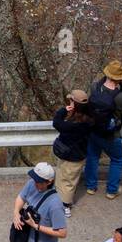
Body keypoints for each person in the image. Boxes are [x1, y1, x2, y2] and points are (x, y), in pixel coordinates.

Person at [85, 60, 122, 199]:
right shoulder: (121, 96)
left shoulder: (94, 87)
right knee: (117, 159)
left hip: (93, 131)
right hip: (111, 135)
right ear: (120, 78)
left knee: (92, 157)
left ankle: (90, 187)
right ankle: (112, 190)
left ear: (106, 74)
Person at [52, 89, 93, 217]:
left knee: (67, 181)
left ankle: (65, 205)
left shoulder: (73, 124)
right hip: (79, 155)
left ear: (74, 104)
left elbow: (57, 123)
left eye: (71, 100)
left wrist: (63, 110)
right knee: (67, 178)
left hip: (68, 155)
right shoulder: (89, 120)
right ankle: (60, 198)